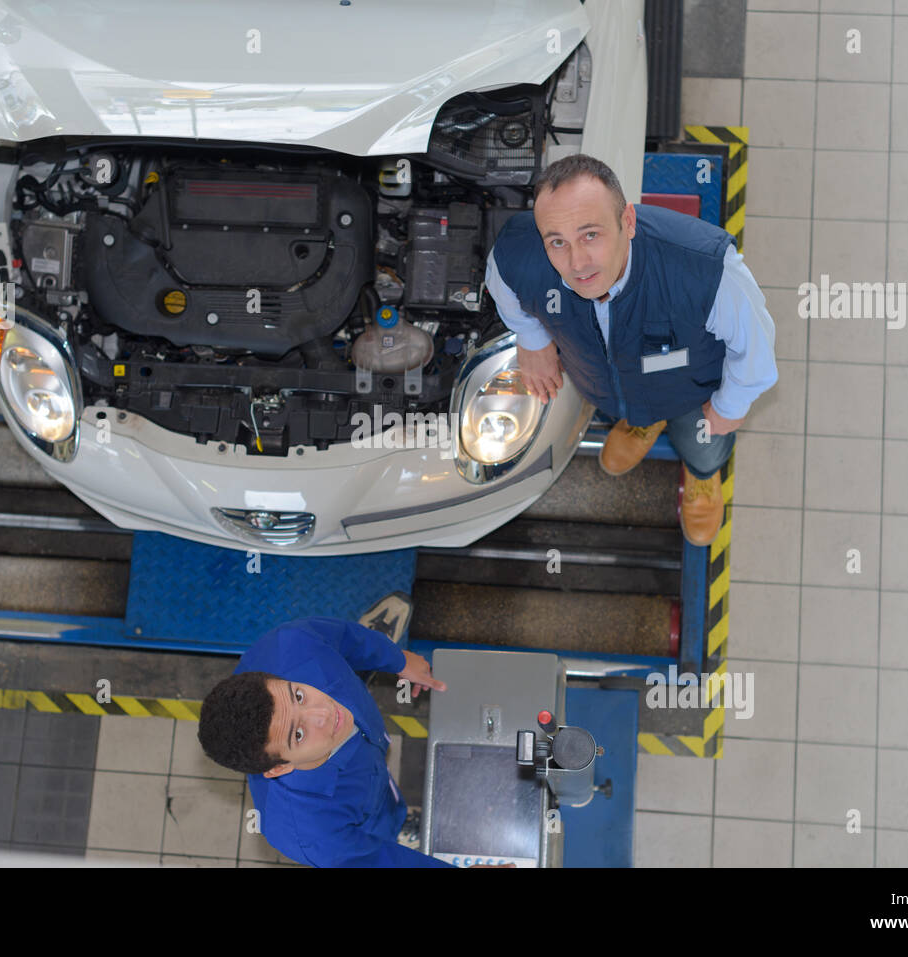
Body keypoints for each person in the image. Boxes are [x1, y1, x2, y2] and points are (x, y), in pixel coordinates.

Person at [485, 153, 778, 545]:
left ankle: (703, 476)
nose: (577, 262)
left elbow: (756, 349)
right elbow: (501, 281)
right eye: (557, 242)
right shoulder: (519, 252)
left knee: (704, 447)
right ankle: (642, 421)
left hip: (694, 393)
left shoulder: (704, 269)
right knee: (625, 400)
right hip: (607, 385)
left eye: (591, 235)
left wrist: (729, 407)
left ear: (628, 221)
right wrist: (532, 339)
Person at [197, 614, 456, 867]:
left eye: (299, 696)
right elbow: (375, 862)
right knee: (378, 820)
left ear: (278, 679)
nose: (324, 713)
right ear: (279, 768)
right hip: (364, 805)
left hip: (369, 747)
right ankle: (396, 826)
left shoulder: (293, 643)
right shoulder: (311, 835)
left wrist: (397, 659)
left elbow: (345, 637)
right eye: (298, 734)